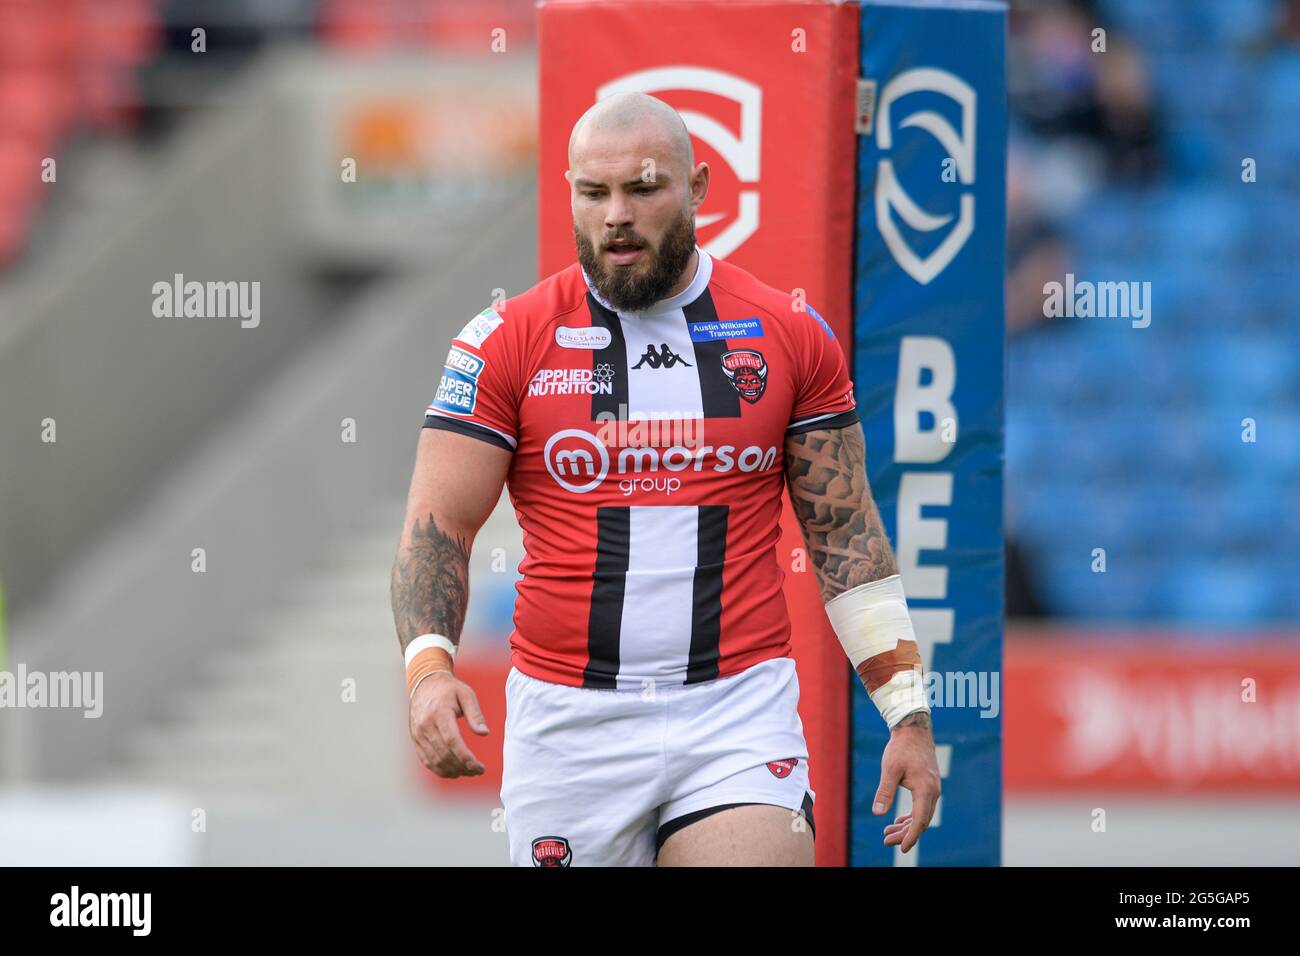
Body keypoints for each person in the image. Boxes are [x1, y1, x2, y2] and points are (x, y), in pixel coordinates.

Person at [390, 92, 939, 866]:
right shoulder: (503, 341)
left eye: (643, 189)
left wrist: (907, 713)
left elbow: (846, 536)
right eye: (594, 192)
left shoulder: (787, 334)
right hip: (568, 721)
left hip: (735, 710)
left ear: (698, 187)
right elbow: (438, 525)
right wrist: (428, 670)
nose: (617, 215)